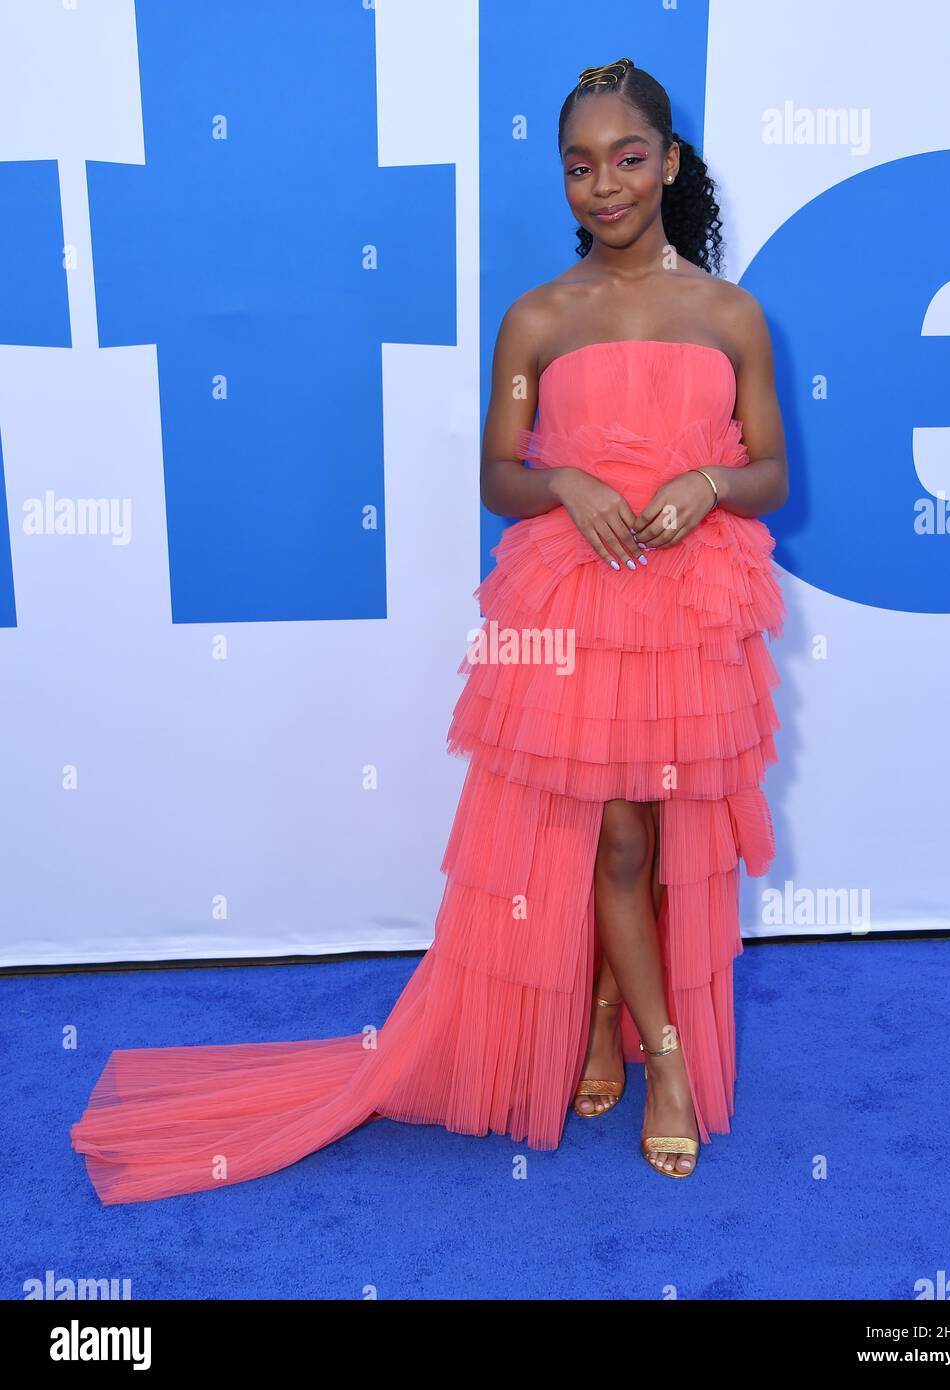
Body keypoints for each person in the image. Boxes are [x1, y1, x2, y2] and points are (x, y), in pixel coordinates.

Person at [70, 56, 786, 1204]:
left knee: (658, 842)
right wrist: (565, 482)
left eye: (627, 158)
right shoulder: (538, 319)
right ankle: (665, 1060)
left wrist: (707, 480)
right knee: (609, 839)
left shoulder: (732, 314)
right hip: (574, 606)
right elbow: (503, 475)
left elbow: (771, 474)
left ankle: (602, 1019)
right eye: (577, 166)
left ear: (671, 163)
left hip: (689, 608)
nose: (603, 185)